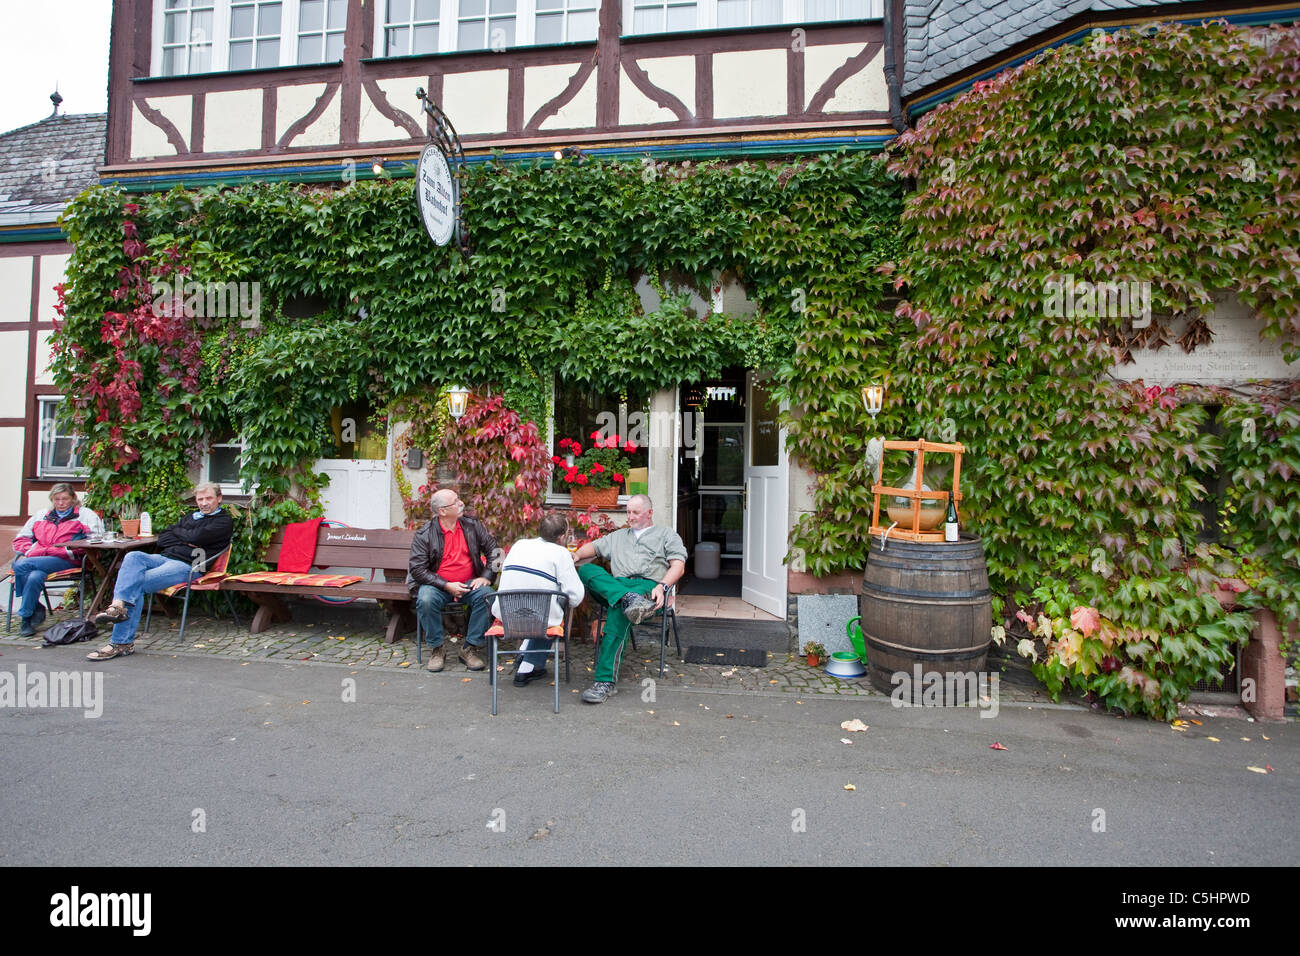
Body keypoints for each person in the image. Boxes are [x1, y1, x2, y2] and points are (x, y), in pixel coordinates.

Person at [87, 482, 234, 661]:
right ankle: (117, 606)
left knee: (135, 584)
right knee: (133, 556)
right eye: (200, 499)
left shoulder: (223, 521)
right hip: (165, 559)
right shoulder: (191, 517)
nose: (204, 503)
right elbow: (163, 538)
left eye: (209, 498)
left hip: (190, 566)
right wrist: (186, 538)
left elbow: (195, 537)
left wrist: (181, 534)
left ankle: (120, 643)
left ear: (219, 498)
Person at [574, 494, 686, 704]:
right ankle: (627, 598)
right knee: (587, 570)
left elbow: (678, 566)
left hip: (648, 589)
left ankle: (604, 681)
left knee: (619, 612)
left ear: (649, 513)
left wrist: (662, 587)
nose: (630, 517)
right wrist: (577, 555)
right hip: (618, 587)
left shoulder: (666, 535)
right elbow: (594, 548)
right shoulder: (618, 536)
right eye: (628, 512)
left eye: (635, 512)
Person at [408, 488, 498, 673]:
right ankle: (437, 649)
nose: (461, 503)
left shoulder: (473, 526)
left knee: (487, 596)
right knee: (425, 599)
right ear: (442, 511)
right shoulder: (424, 534)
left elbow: (496, 552)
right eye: (456, 502)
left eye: (459, 499)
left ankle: (470, 648)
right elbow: (417, 569)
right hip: (437, 586)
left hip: (469, 583)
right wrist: (446, 585)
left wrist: (486, 577)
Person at [492, 512, 584, 687]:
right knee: (549, 609)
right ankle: (526, 668)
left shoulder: (519, 545)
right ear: (562, 536)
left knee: (540, 603)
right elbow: (575, 596)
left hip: (505, 613)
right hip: (538, 618)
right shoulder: (561, 553)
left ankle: (525, 651)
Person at [10, 484, 103, 636]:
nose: (60, 503)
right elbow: (20, 539)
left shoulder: (85, 515)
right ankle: (27, 618)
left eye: (65, 499)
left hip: (69, 560)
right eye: (56, 499)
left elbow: (95, 541)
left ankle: (31, 611)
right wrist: (31, 550)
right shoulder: (41, 515)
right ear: (52, 499)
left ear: (73, 498)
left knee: (20, 564)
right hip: (40, 560)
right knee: (34, 577)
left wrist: (64, 550)